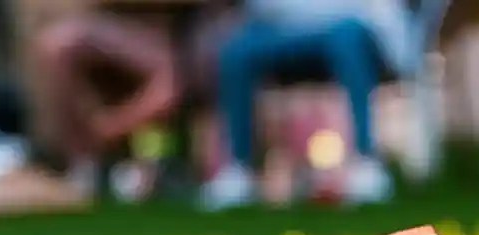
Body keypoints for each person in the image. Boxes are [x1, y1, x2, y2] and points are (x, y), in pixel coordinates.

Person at [201, 0, 417, 211]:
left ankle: (367, 164)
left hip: (353, 30)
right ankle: (237, 170)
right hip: (284, 30)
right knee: (237, 52)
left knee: (348, 39)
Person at [33, 1, 239, 196]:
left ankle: (130, 153)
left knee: (170, 86)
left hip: (192, 33)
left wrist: (109, 128)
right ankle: (84, 168)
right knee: (57, 45)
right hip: (124, 25)